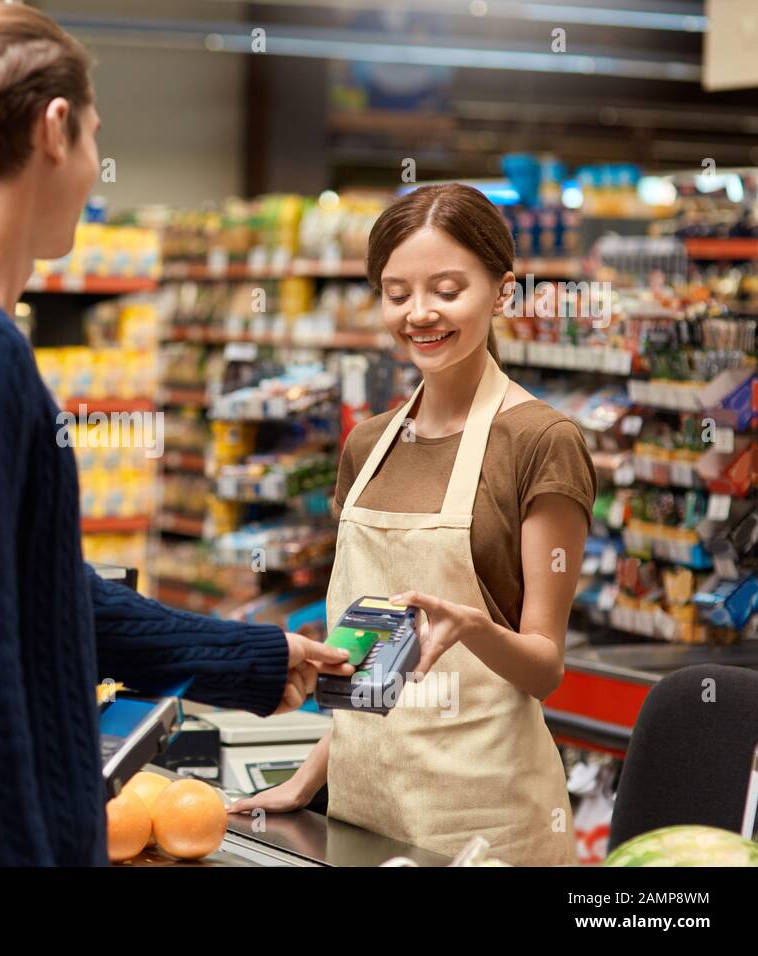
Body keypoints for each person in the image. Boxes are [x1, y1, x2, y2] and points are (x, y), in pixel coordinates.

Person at [0, 0, 352, 866]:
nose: (97, 165)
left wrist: (248, 658)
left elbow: (36, 595)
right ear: (55, 128)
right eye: (99, 137)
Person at [229, 183, 595, 866]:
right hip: (364, 812)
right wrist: (303, 785)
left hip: (481, 824)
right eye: (397, 295)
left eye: (447, 289)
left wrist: (475, 628)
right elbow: (374, 668)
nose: (419, 314)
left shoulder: (541, 441)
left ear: (503, 292)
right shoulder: (368, 446)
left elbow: (545, 668)